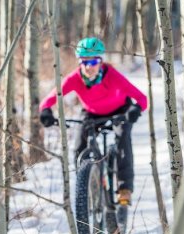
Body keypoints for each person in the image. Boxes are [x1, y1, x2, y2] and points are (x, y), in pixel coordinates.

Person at [38, 37, 148, 206]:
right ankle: (86, 181)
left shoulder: (112, 76)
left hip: (120, 111)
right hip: (92, 112)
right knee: (79, 145)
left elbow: (141, 98)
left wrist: (135, 109)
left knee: (122, 140)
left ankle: (124, 188)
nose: (89, 66)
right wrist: (45, 111)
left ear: (101, 61)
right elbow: (49, 99)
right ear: (80, 62)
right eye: (85, 61)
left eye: (94, 61)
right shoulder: (74, 78)